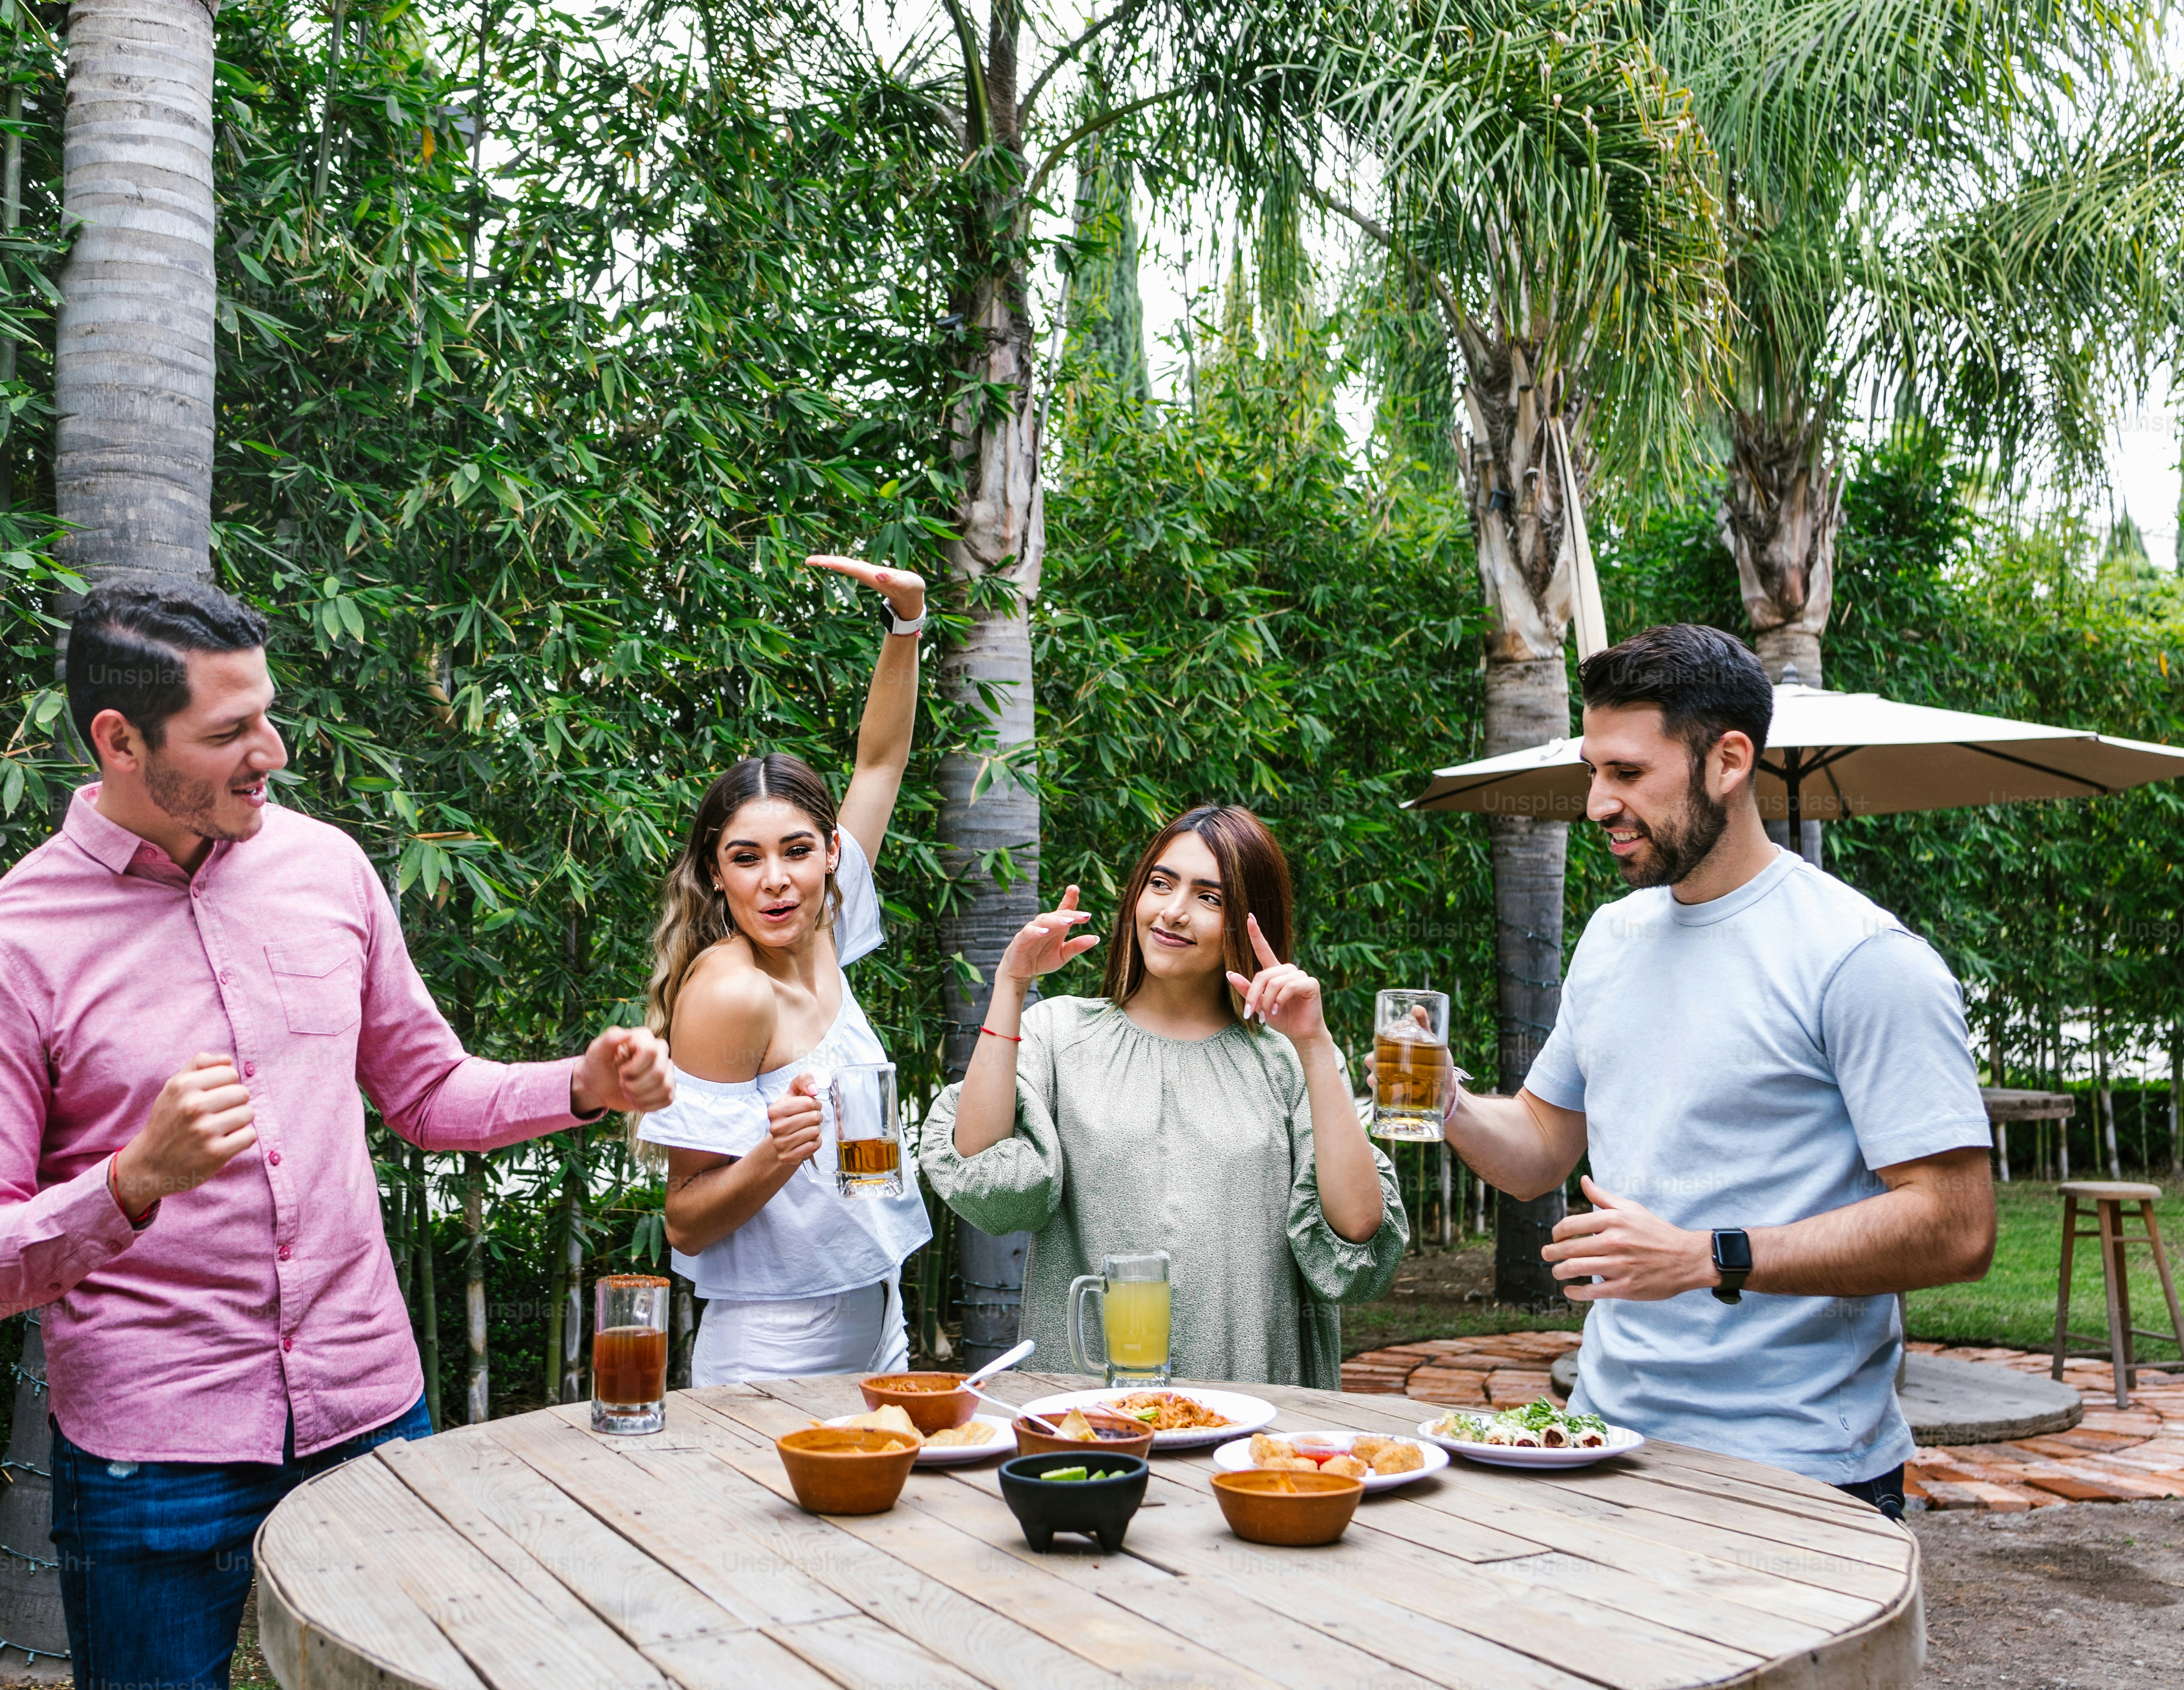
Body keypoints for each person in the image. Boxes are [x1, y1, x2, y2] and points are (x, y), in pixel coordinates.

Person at [0, 576, 673, 1690]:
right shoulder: (1, 952)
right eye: (227, 732)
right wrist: (127, 1182)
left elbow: (426, 1093)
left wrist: (582, 1084)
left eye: (266, 714)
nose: (269, 750)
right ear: (118, 740)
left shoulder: (328, 869)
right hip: (152, 1455)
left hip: (370, 1410)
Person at [1414, 623, 1995, 1516]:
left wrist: (1705, 1256)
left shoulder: (1861, 957)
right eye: (1592, 770)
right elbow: (1536, 1148)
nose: (1597, 802)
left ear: (1728, 761)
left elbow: (1955, 1226)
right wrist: (1445, 1095)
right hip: (1605, 1442)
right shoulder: (1612, 938)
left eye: (1627, 773)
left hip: (1803, 1467)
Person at [917, 805, 1407, 1387]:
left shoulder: (1288, 1058)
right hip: (1091, 1412)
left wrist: (1317, 1045)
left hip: (1257, 1409)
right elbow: (987, 1180)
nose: (1173, 912)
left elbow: (1356, 1242)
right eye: (1161, 884)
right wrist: (1011, 985)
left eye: (1209, 898)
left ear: (1251, 920)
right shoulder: (1058, 1034)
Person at [640, 555, 934, 1385]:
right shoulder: (731, 991)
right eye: (746, 857)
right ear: (715, 871)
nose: (775, 878)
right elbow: (686, 1221)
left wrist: (905, 624)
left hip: (878, 1305)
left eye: (797, 850)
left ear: (830, 853)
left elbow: (878, 763)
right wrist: (774, 1155)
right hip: (777, 1336)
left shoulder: (827, 922)